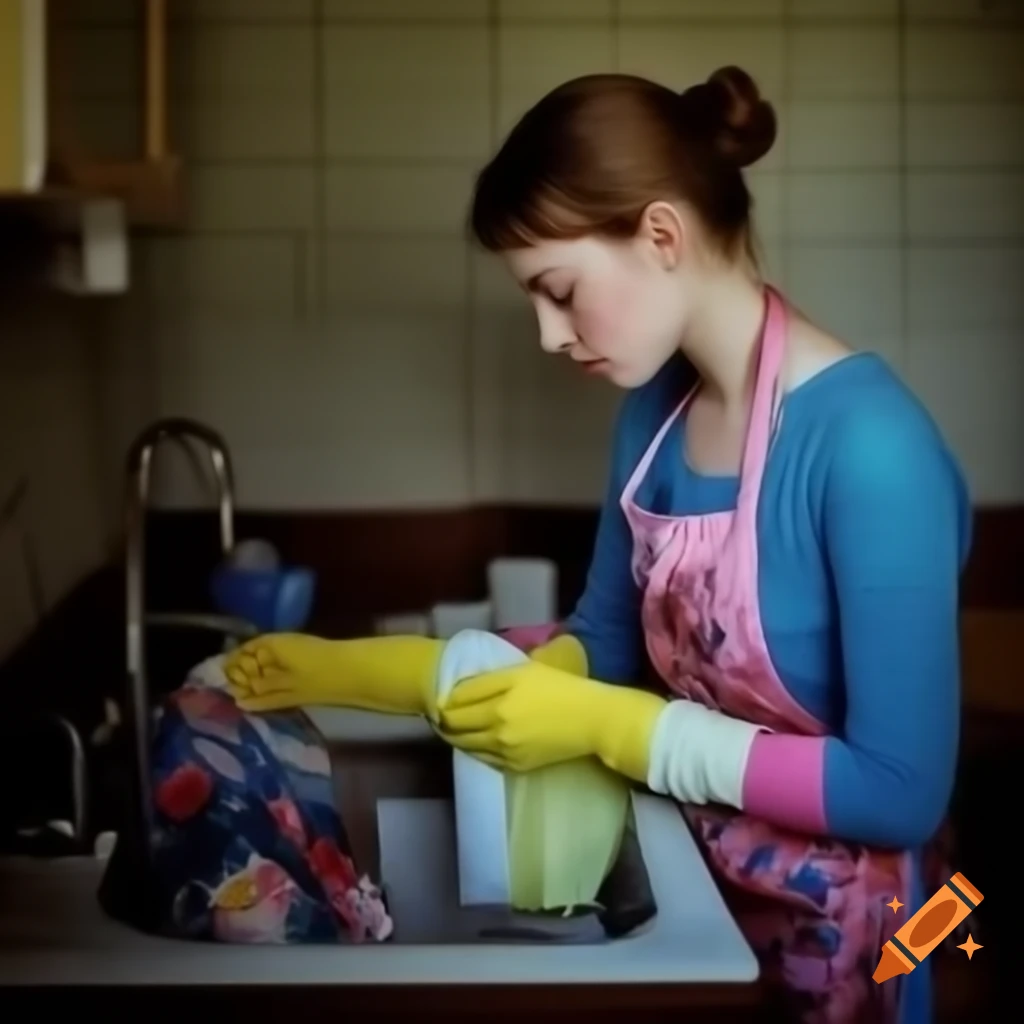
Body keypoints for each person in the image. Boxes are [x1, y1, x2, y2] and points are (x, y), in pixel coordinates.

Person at [225, 66, 970, 1023]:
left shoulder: (872, 448)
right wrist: (364, 671)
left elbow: (902, 791)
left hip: (869, 935)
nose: (547, 333)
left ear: (661, 235)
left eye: (560, 290)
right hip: (701, 908)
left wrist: (612, 729)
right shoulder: (653, 417)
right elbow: (603, 647)